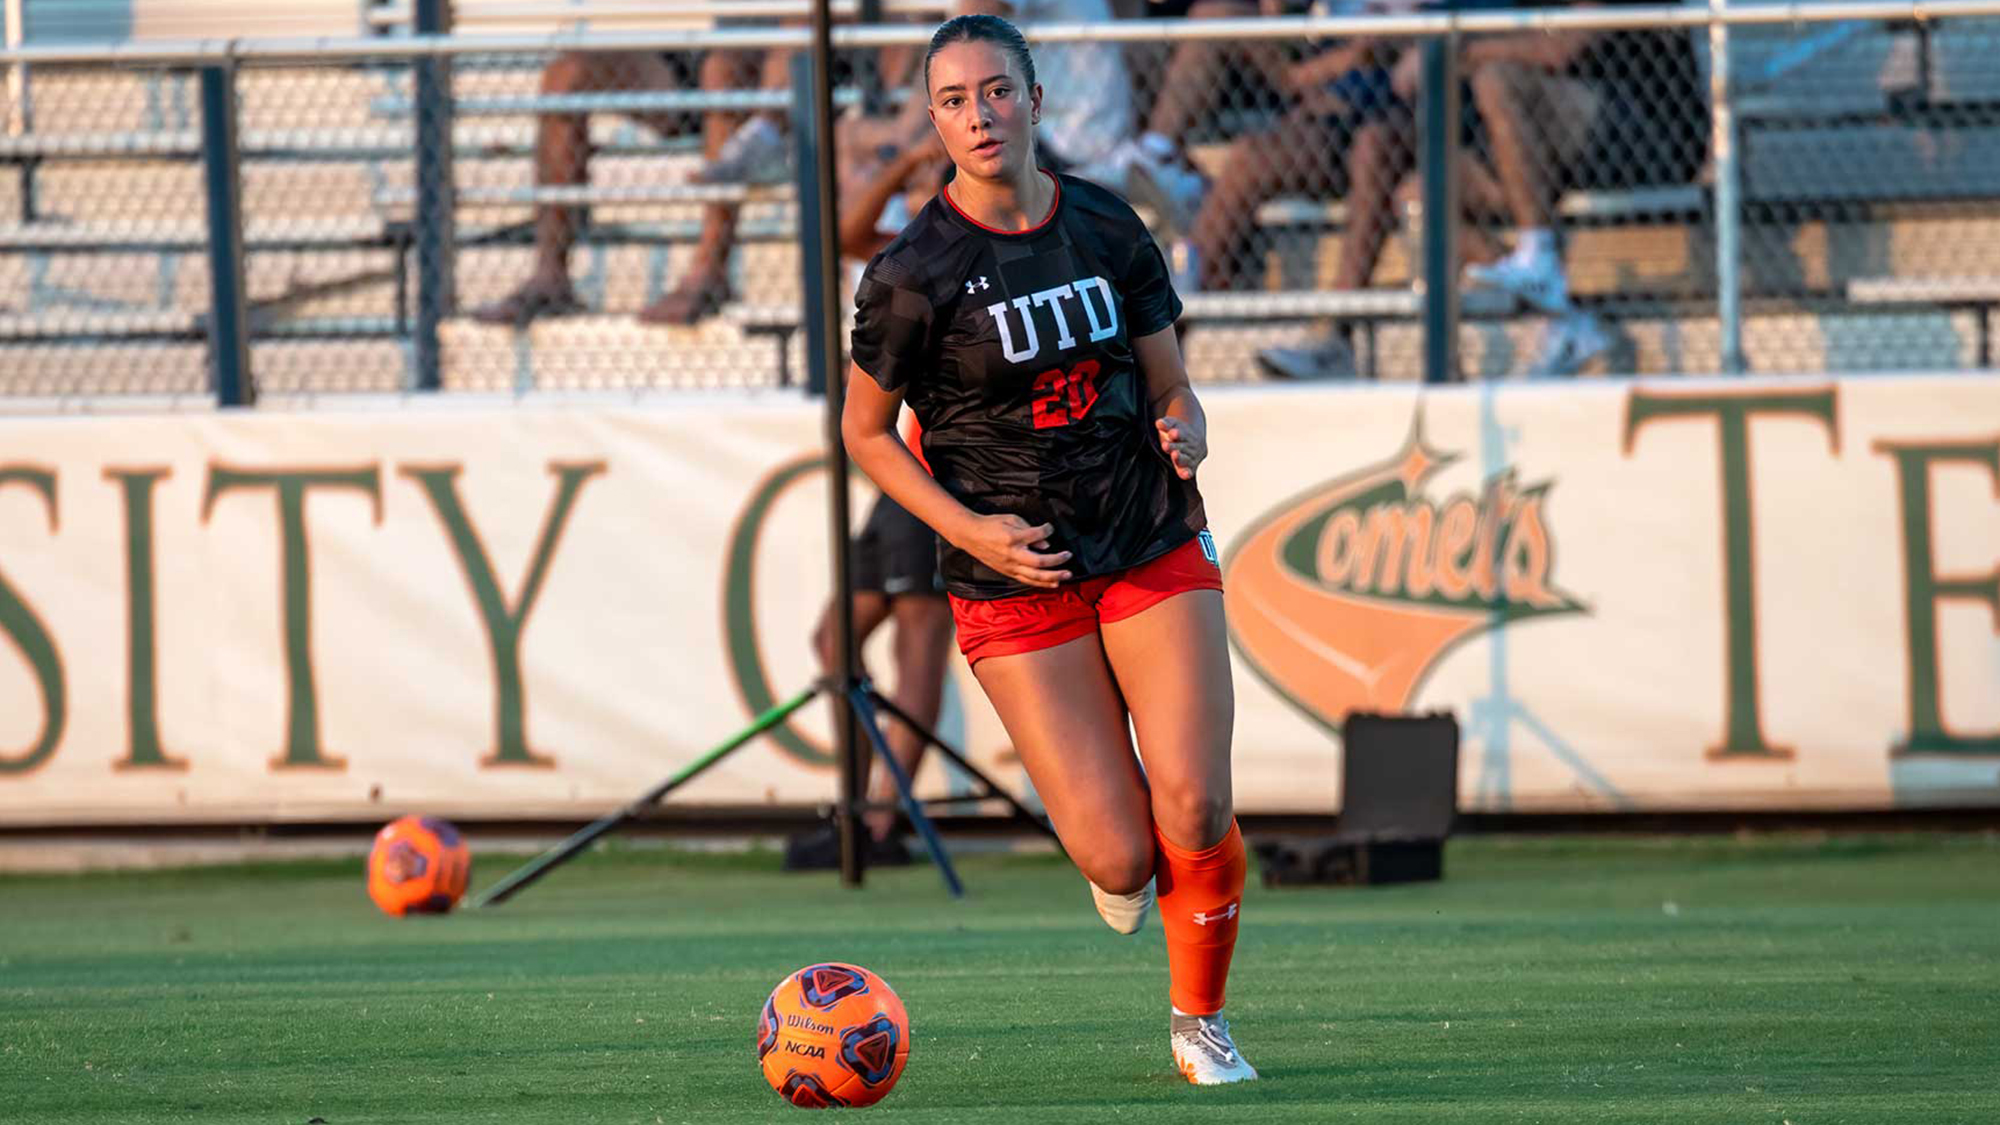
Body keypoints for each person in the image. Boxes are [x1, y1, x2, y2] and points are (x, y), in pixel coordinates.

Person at [843, 14, 1255, 1085]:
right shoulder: (910, 271)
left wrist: (1187, 423)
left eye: (994, 91)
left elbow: (1170, 381)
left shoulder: (1110, 227)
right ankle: (1113, 859)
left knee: (1196, 804)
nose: (976, 114)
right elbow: (861, 435)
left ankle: (1198, 1022)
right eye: (951, 100)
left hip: (1147, 533)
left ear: (1034, 99)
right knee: (1120, 852)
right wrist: (969, 527)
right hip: (1014, 577)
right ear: (931, 120)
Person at [472, 47, 790, 327]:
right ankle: (550, 277)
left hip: (776, 62)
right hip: (688, 44)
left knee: (724, 67)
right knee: (565, 76)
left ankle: (708, 274)